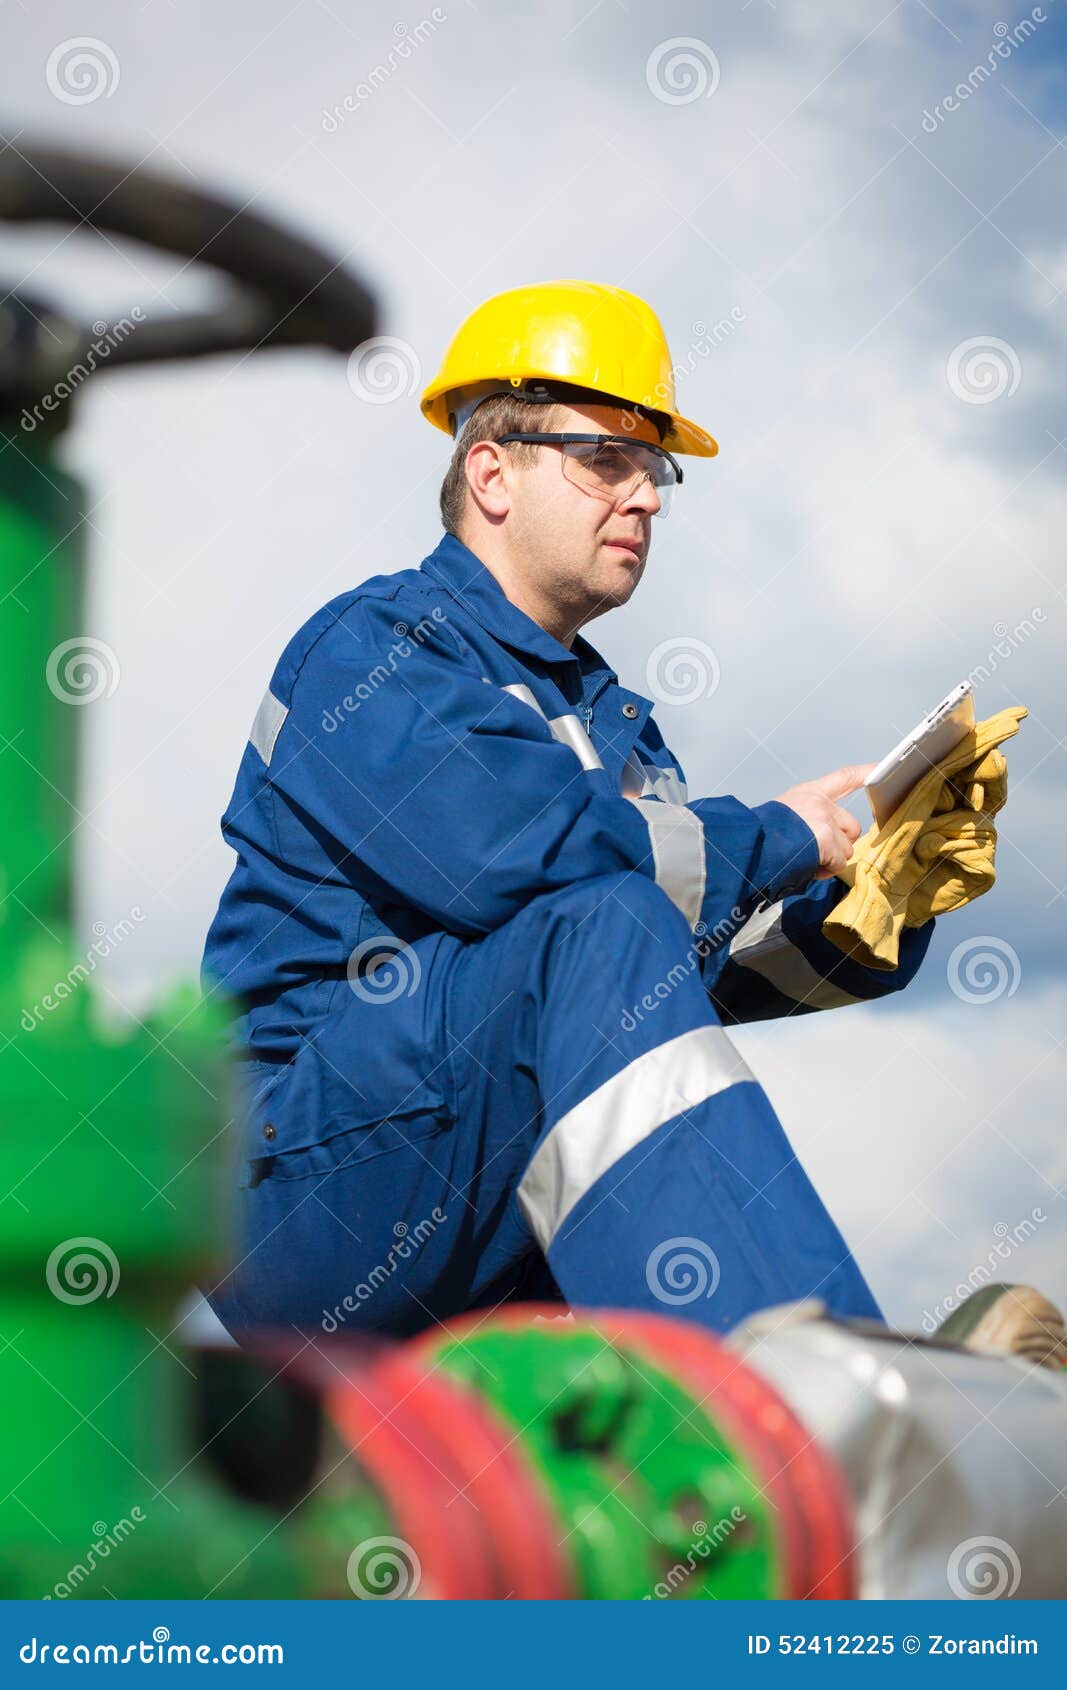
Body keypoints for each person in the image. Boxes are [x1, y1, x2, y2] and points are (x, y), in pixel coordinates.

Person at [200, 280, 934, 1340]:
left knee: (618, 930)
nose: (641, 498)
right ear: (489, 473)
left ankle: (737, 1416)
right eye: (605, 459)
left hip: (470, 1173)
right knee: (600, 915)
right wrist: (778, 837)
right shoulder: (372, 651)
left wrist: (877, 901)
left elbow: (682, 967)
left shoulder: (609, 724)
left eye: (654, 472)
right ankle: (800, 1389)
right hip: (290, 1188)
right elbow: (520, 854)